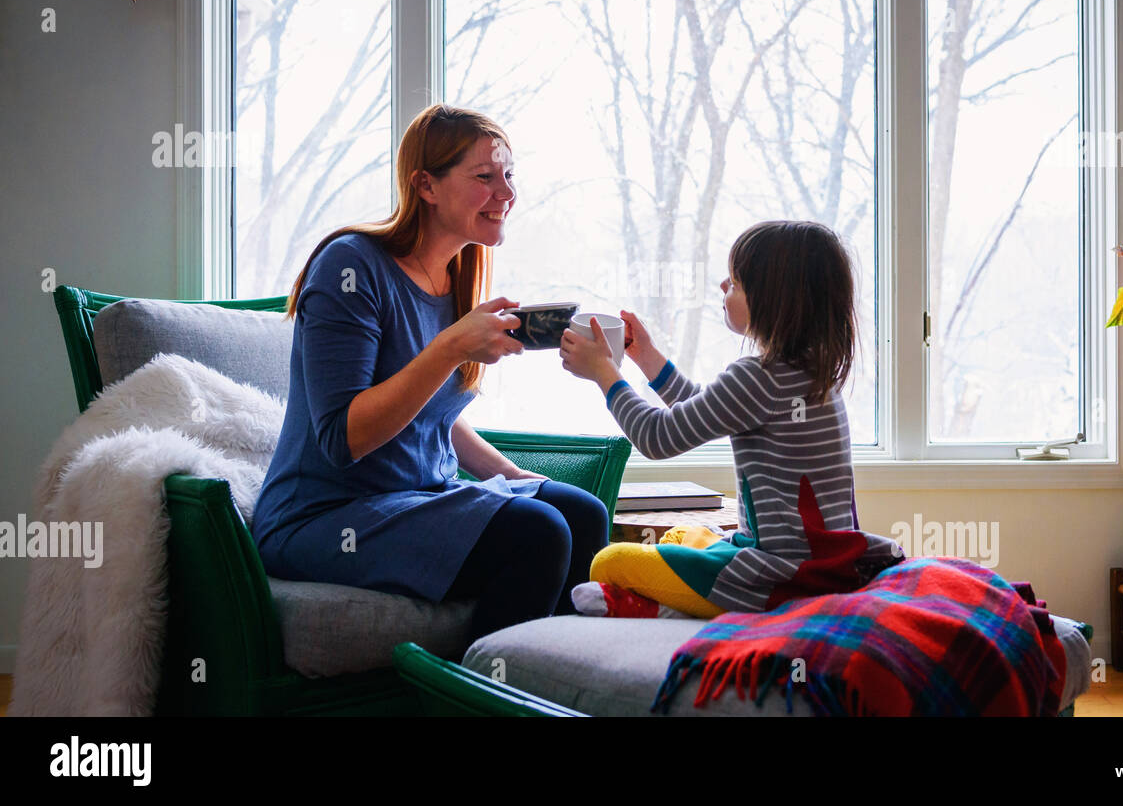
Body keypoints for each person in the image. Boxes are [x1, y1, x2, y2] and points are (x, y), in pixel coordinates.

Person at [252, 104, 610, 645]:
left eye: (509, 176)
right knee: (536, 534)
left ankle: (544, 688)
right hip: (325, 516)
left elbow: (436, 418)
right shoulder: (350, 267)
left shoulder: (456, 277)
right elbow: (343, 438)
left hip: (420, 496)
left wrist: (519, 481)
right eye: (485, 177)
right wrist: (448, 348)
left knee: (579, 512)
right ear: (426, 186)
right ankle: (478, 699)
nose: (507, 194)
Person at [558, 220, 901, 619]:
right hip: (825, 563)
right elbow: (704, 408)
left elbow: (657, 437)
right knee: (683, 536)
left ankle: (658, 607)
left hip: (785, 576)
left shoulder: (759, 377)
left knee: (608, 563)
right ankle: (680, 598)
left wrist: (605, 374)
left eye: (736, 282)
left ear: (774, 300)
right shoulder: (811, 372)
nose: (723, 285)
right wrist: (648, 359)